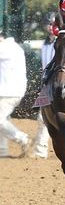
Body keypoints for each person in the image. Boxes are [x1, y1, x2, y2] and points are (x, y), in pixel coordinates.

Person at [0, 30, 29, 158]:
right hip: (12, 90)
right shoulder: (14, 47)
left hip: (9, 91)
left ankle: (22, 138)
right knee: (3, 118)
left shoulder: (5, 48)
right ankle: (2, 150)